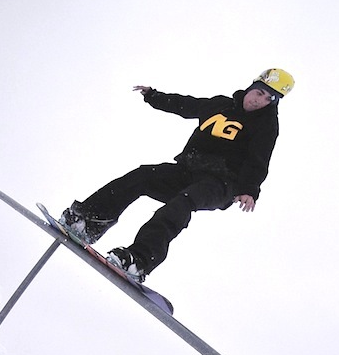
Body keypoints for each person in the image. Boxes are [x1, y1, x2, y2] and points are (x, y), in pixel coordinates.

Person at [58, 68, 294, 283]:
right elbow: (186, 105)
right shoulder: (221, 105)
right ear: (252, 86)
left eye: (268, 99)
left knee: (182, 203)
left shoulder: (267, 124)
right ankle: (90, 221)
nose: (259, 101)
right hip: (188, 171)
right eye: (259, 93)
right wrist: (154, 96)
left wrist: (249, 190)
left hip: (222, 184)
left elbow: (260, 158)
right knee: (144, 176)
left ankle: (139, 260)